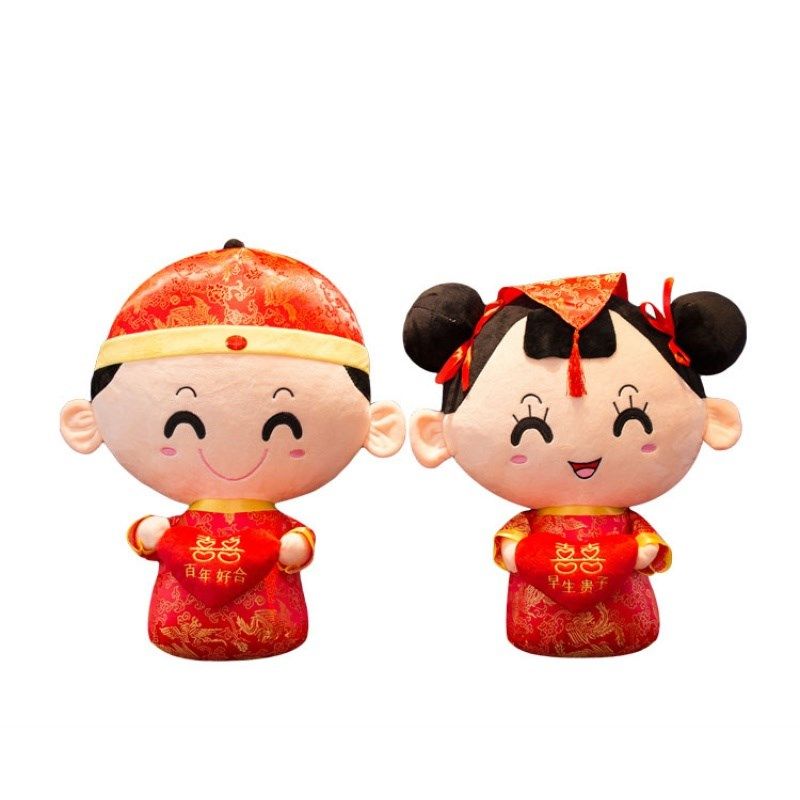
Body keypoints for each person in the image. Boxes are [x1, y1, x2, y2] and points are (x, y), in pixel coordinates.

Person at [61, 240, 405, 660]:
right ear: (86, 423)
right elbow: (150, 539)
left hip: (276, 624)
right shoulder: (184, 527)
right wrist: (151, 534)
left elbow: (297, 542)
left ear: (378, 426)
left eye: (283, 424)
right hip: (178, 624)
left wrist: (295, 547)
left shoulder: (268, 527)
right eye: (183, 422)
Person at [403, 273, 745, 656]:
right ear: (435, 435)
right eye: (529, 427)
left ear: (715, 420)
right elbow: (513, 544)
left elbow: (645, 544)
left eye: (633, 419)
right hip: (537, 621)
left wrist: (633, 553)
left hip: (626, 618)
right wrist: (531, 556)